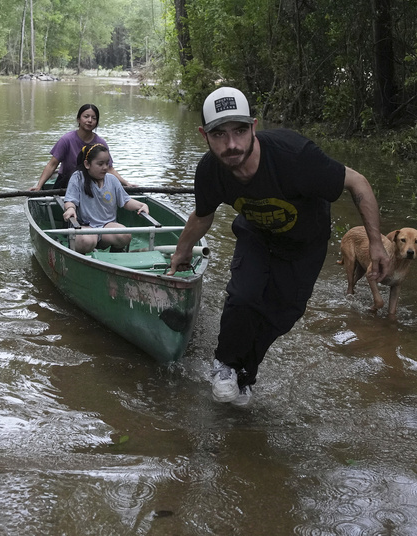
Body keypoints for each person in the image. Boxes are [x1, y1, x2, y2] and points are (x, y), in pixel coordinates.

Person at [167, 86, 390, 407]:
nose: (231, 144)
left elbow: (357, 182)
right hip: (257, 233)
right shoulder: (210, 171)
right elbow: (202, 216)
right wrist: (182, 250)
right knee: (244, 296)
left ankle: (245, 377)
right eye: (219, 134)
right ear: (204, 134)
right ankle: (225, 365)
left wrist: (376, 244)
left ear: (254, 127)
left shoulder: (296, 157)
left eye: (240, 131)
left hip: (305, 243)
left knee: (281, 316)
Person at [63, 143, 149, 254]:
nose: (105, 167)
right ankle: (79, 257)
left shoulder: (112, 179)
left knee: (125, 234)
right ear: (87, 164)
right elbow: (70, 200)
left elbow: (126, 200)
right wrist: (70, 208)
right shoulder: (78, 177)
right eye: (100, 164)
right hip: (85, 226)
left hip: (106, 226)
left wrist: (141, 205)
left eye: (107, 163)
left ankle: (115, 257)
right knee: (85, 241)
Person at [30, 104, 131, 191]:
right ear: (79, 119)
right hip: (67, 182)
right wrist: (39, 186)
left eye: (94, 118)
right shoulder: (67, 139)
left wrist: (126, 183)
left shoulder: (100, 143)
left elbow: (109, 169)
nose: (89, 120)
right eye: (86, 117)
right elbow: (52, 165)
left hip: (92, 183)